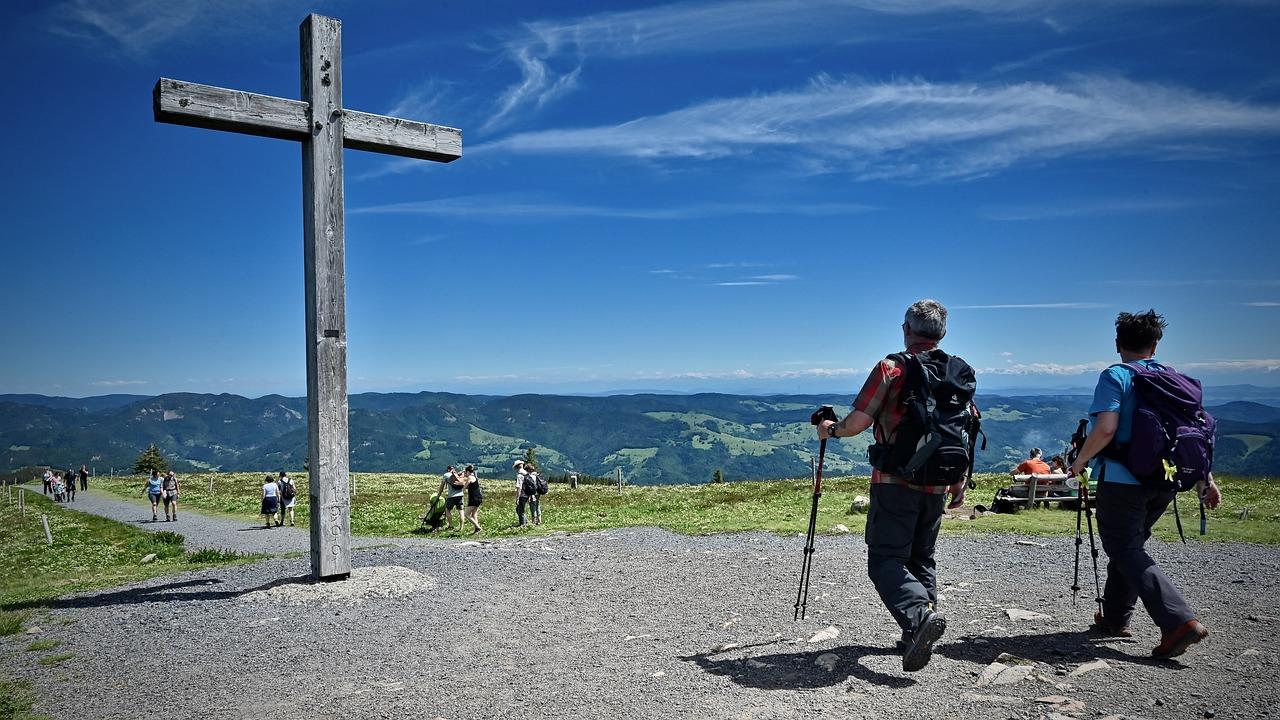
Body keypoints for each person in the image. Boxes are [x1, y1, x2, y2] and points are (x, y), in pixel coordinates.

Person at [815, 299, 969, 672]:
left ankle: (918, 617)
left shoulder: (892, 368)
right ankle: (914, 632)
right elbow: (965, 427)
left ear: (907, 329)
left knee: (885, 559)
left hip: (895, 480)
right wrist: (959, 480)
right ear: (942, 333)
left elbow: (858, 422)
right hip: (939, 481)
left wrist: (829, 430)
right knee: (921, 558)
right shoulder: (957, 372)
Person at [1069, 310, 1222, 660]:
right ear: (1155, 345)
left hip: (1123, 479)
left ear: (1118, 344)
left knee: (1124, 547)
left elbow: (1106, 428)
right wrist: (1205, 480)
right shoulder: (1174, 380)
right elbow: (1195, 435)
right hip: (1166, 480)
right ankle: (1115, 618)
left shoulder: (1117, 375)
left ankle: (1178, 621)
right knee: (1129, 546)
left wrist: (1081, 461)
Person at [434, 466, 466, 532]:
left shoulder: (446, 475)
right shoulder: (457, 475)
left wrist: (439, 494)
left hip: (451, 496)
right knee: (461, 511)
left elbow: (442, 486)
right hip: (460, 495)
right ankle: (461, 528)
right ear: (454, 469)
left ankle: (451, 525)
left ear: (448, 470)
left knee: (447, 510)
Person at [463, 465, 483, 534]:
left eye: (466, 472)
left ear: (468, 472)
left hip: (473, 498)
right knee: (474, 514)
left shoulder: (470, 477)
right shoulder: (475, 477)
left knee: (466, 514)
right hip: (478, 497)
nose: (465, 474)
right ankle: (476, 530)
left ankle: (478, 527)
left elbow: (465, 487)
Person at [514, 460, 530, 527]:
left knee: (520, 510)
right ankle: (526, 522)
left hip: (522, 494)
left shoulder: (519, 475)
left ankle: (523, 525)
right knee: (519, 509)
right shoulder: (526, 473)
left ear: (516, 467)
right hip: (527, 493)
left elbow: (519, 487)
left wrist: (517, 498)